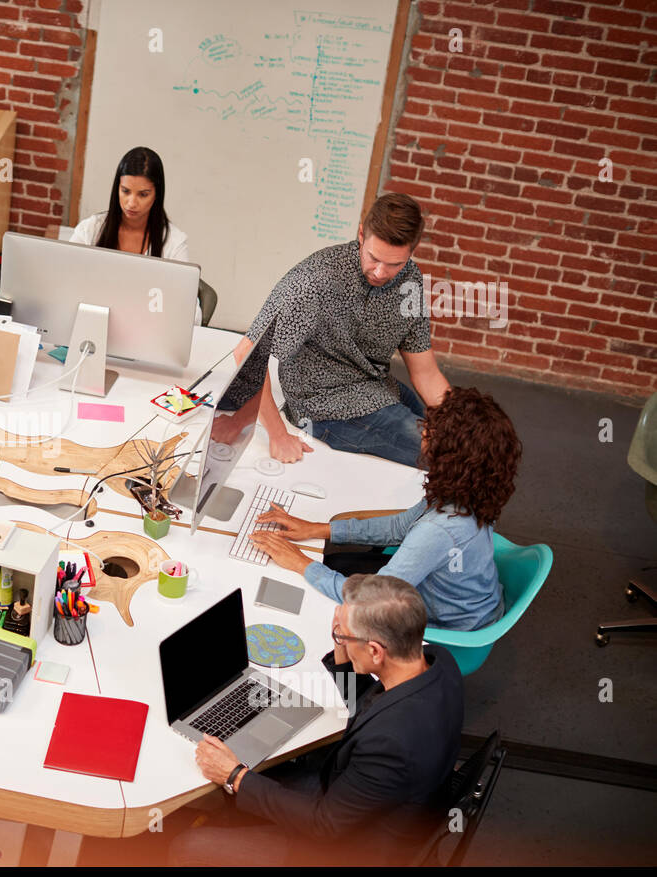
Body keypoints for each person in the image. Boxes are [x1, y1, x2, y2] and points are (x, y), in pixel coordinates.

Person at [170, 575, 463, 866]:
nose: (340, 639)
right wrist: (344, 655)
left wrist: (234, 775)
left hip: (349, 849)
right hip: (376, 800)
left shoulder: (391, 743)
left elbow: (324, 824)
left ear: (375, 650)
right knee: (266, 771)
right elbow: (373, 706)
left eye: (343, 636)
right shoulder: (438, 662)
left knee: (187, 847)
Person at [248, 387, 521, 630]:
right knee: (335, 563)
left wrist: (299, 562)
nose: (423, 429)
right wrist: (318, 528)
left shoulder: (441, 529)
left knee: (321, 600)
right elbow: (399, 527)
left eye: (432, 430)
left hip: (453, 626)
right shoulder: (468, 491)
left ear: (451, 456)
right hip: (462, 597)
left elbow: (372, 598)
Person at [217, 193, 450, 467]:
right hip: (322, 404)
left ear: (412, 251)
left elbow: (426, 372)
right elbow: (247, 353)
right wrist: (277, 435)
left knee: (453, 437)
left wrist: (461, 421)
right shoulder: (316, 280)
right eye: (374, 258)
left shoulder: (411, 280)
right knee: (442, 456)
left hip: (375, 386)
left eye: (394, 264)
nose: (379, 272)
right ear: (361, 234)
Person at [68, 146, 190, 261]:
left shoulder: (174, 243)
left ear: (157, 195)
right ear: (117, 188)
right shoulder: (90, 230)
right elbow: (66, 272)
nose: (131, 203)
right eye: (125, 191)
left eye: (143, 194)